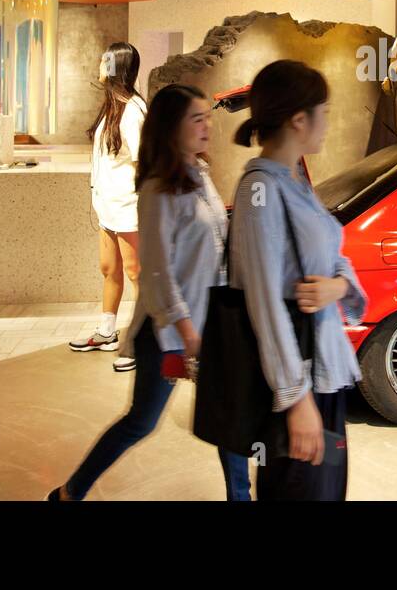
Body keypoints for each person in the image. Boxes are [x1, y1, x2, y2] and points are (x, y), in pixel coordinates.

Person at [50, 84, 251, 501]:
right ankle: (70, 492)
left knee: (229, 415)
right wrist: (189, 334)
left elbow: (214, 249)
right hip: (167, 333)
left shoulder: (199, 173)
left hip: (206, 322)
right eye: (196, 118)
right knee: (141, 421)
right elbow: (158, 273)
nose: (206, 125)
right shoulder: (160, 188)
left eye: (206, 116)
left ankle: (241, 497)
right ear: (171, 126)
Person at [230, 60, 367, 501]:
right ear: (298, 119)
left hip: (325, 373)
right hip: (299, 386)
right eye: (324, 111)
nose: (329, 122)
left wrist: (338, 287)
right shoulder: (260, 191)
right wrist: (296, 399)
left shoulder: (296, 181)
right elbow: (264, 304)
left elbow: (334, 257)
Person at [70, 42, 147, 371]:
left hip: (129, 207)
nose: (99, 64)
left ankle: (146, 340)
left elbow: (144, 162)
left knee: (136, 274)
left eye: (105, 60)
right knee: (109, 270)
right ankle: (106, 331)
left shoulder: (133, 110)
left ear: (117, 66)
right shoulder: (112, 106)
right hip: (108, 206)